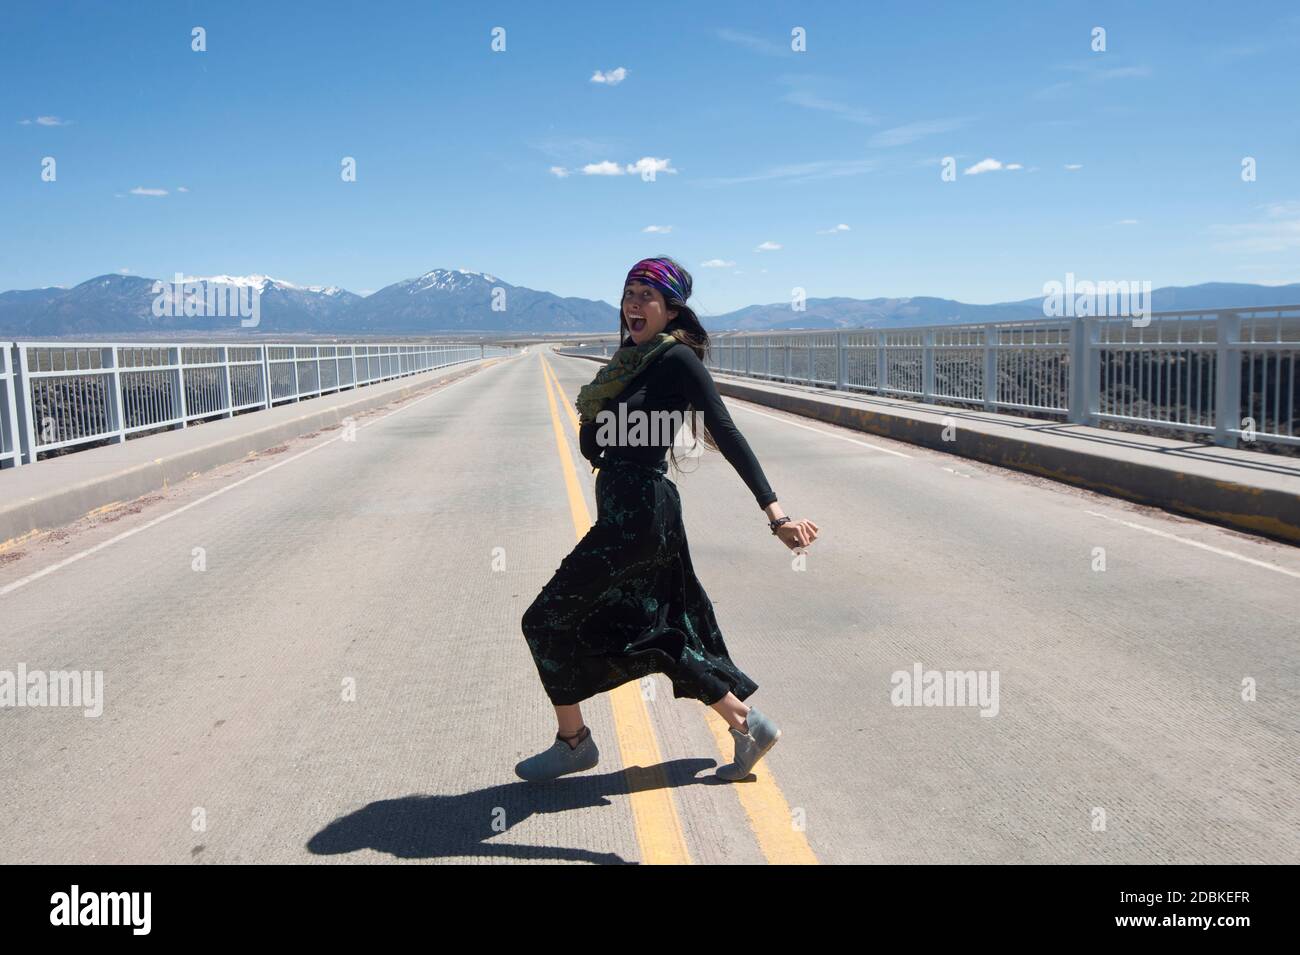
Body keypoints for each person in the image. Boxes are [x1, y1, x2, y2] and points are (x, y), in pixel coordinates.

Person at [517, 256, 819, 783]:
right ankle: (747, 725)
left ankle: (574, 743)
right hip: (630, 510)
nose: (634, 304)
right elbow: (600, 440)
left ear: (670, 309)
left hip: (639, 518)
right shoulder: (627, 362)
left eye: (646, 296)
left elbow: (725, 431)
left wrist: (778, 515)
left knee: (543, 619)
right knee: (657, 630)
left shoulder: (675, 360)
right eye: (629, 293)